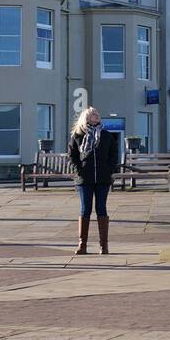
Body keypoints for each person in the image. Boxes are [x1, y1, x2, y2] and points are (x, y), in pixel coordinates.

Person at [68, 107, 117, 255]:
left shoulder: (106, 135)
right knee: (85, 209)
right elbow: (72, 156)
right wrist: (79, 170)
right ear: (86, 117)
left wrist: (109, 170)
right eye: (92, 114)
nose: (96, 116)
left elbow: (113, 155)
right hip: (85, 178)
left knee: (101, 209)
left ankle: (104, 245)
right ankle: (82, 245)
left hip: (103, 178)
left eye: (97, 114)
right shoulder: (78, 136)